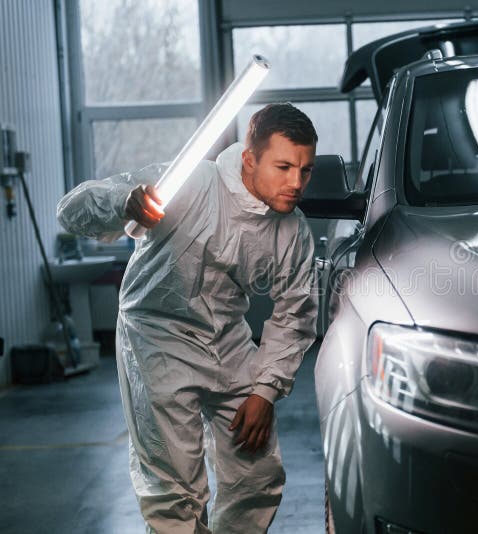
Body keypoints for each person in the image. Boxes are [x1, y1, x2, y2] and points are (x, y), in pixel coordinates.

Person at [56, 103, 319, 533]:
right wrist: (124, 204)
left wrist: (265, 391)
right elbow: (73, 209)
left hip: (226, 338)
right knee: (174, 488)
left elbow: (296, 311)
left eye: (305, 170)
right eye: (284, 166)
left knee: (256, 474)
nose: (296, 183)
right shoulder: (192, 182)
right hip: (156, 337)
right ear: (250, 160)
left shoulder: (292, 229)